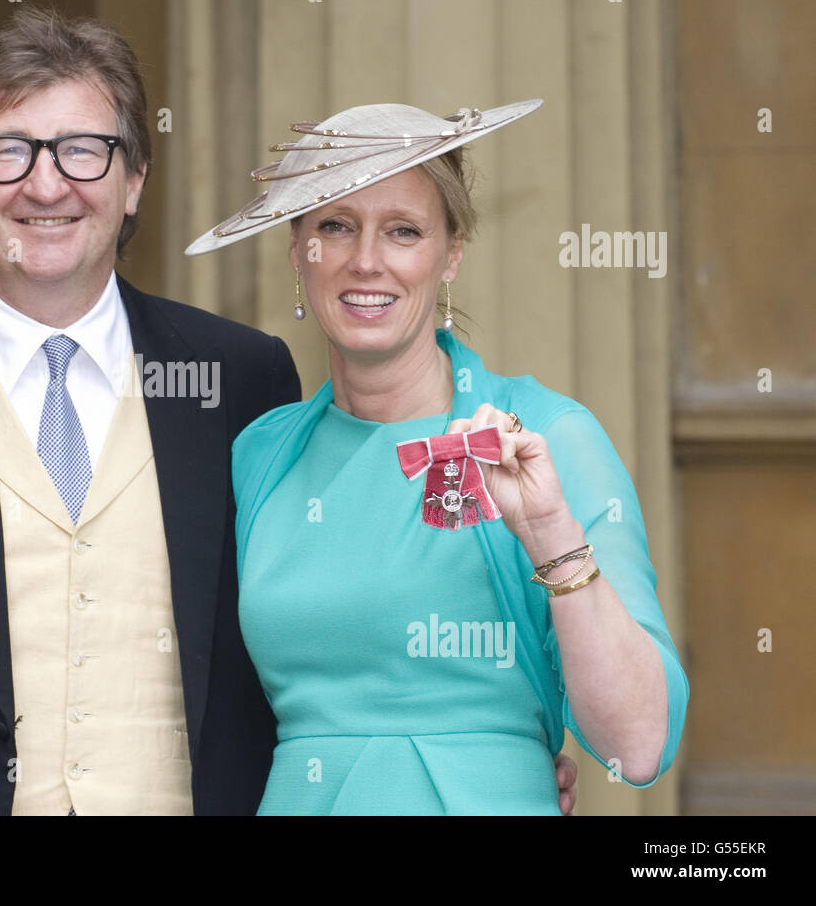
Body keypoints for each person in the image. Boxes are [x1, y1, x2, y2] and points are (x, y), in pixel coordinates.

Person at [0, 7, 578, 815]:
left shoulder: (238, 376)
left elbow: (334, 607)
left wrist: (497, 739)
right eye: (7, 151)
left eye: (83, 149)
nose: (47, 184)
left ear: (132, 182)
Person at [186, 99, 688, 814]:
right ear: (300, 250)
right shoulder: (260, 456)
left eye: (403, 230)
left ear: (450, 253)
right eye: (335, 225)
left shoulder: (547, 434)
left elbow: (637, 745)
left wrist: (549, 533)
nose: (366, 260)